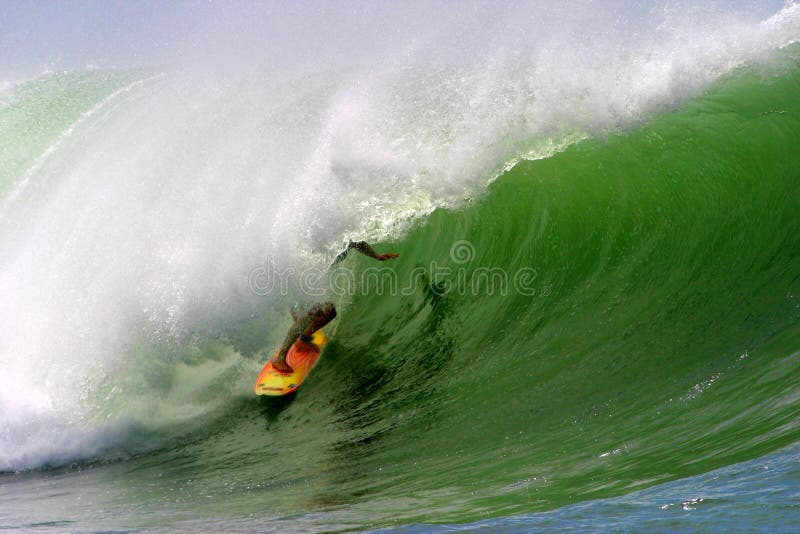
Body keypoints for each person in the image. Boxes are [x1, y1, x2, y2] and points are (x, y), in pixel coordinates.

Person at [270, 241, 399, 373]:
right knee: (311, 313)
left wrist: (376, 256)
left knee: (330, 311)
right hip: (299, 274)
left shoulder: (343, 232)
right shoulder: (321, 233)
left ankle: (302, 340)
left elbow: (357, 243)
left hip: (309, 275)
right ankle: (281, 358)